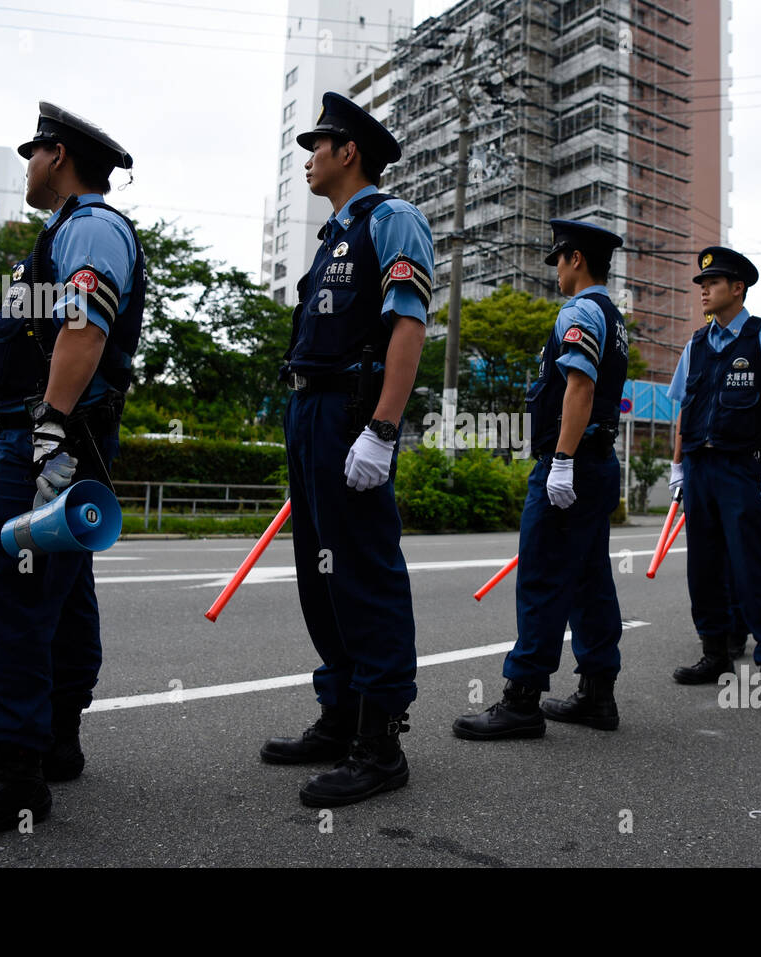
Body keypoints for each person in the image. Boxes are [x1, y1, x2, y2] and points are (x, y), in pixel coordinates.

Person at [0, 103, 143, 843]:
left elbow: (84, 321)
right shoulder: (64, 231)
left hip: (45, 437)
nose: (27, 165)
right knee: (62, 590)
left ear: (59, 156)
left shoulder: (91, 227)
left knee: (9, 599)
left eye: (33, 152)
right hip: (60, 435)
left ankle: (14, 769)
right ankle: (54, 739)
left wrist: (47, 429)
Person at [261, 92, 434, 807]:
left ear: (349, 151)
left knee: (362, 569)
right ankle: (339, 712)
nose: (309, 157)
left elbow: (408, 327)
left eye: (318, 144)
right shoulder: (336, 235)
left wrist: (383, 429)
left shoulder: (392, 220)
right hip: (311, 409)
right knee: (319, 572)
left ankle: (379, 738)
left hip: (351, 413)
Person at [453, 221, 627, 740]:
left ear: (574, 259)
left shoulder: (579, 310)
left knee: (543, 577)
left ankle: (522, 699)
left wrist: (562, 459)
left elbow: (579, 385)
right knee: (590, 579)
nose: (554, 269)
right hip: (599, 462)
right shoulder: (613, 317)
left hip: (571, 460)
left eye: (557, 259)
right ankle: (599, 694)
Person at [665, 246, 761, 707]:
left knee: (751, 566)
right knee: (703, 566)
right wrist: (677, 463)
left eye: (712, 283)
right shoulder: (696, 344)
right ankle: (714, 652)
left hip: (743, 466)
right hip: (699, 467)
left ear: (737, 288)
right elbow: (683, 406)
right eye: (701, 284)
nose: (703, 290)